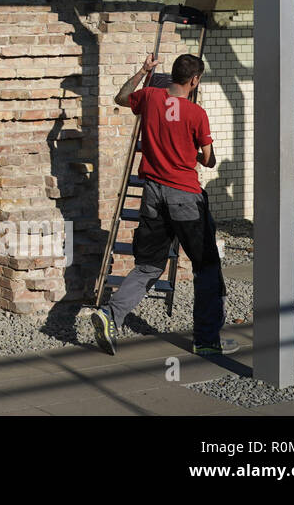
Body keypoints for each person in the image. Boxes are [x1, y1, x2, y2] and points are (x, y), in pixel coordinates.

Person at [90, 52, 238, 357]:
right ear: (195, 80)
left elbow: (121, 97)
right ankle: (207, 340)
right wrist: (195, 154)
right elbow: (208, 160)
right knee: (206, 268)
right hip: (184, 197)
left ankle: (110, 314)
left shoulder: (150, 96)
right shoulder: (196, 113)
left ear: (171, 74)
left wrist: (143, 70)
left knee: (149, 265)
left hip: (153, 193)